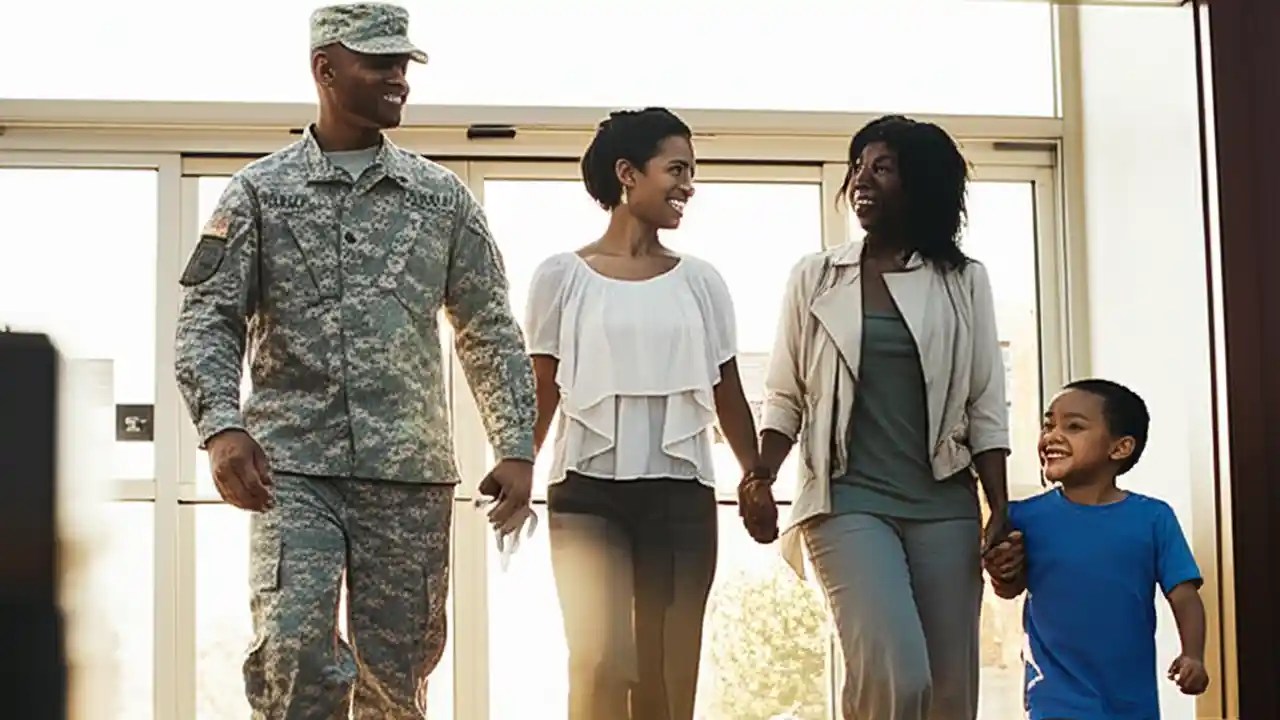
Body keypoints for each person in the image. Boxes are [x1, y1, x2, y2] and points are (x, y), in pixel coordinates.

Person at [173, 4, 536, 718]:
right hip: (294, 471)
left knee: (393, 682)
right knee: (294, 653)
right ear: (326, 69)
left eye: (404, 63)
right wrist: (220, 425)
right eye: (379, 62)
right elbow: (206, 320)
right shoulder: (258, 194)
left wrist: (516, 442)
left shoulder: (441, 200)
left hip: (407, 477)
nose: (398, 76)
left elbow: (489, 328)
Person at [737, 114, 1022, 720]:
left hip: (943, 504)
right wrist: (760, 476)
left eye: (882, 168)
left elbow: (984, 405)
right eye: (858, 166)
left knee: (948, 693)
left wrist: (998, 509)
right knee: (897, 672)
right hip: (848, 501)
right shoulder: (814, 277)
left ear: (920, 184)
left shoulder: (964, 281)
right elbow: (784, 393)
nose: (861, 180)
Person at [524, 107, 761, 720]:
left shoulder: (701, 282)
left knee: (665, 678)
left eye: (691, 172)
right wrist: (519, 463)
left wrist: (755, 475)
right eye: (675, 169)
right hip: (584, 491)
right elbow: (543, 386)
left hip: (680, 495)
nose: (688, 185)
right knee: (600, 663)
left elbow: (726, 388)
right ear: (627, 173)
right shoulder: (561, 277)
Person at [985, 379, 1209, 719]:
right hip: (1053, 698)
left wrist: (1193, 654)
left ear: (1120, 448)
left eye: (1073, 426)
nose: (1052, 436)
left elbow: (1184, 594)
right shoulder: (1023, 516)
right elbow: (1010, 588)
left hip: (1130, 701)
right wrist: (1001, 573)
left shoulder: (1153, 518)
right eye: (1048, 425)